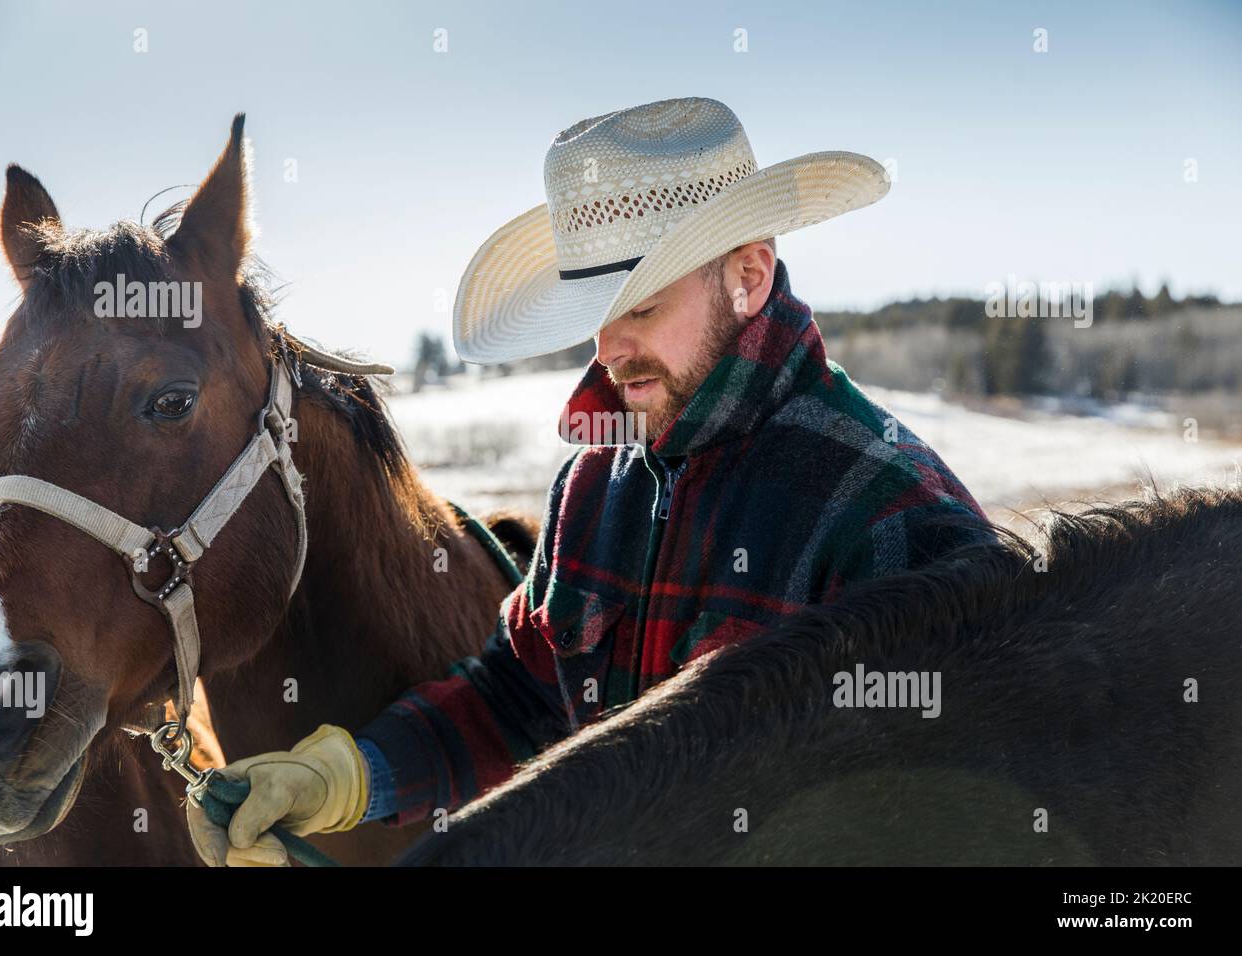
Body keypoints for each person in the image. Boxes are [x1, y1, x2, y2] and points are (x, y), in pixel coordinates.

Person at [186, 96, 993, 866]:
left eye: (639, 302)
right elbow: (518, 700)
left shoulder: (893, 513)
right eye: (592, 313)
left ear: (748, 276)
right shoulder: (598, 484)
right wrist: (346, 780)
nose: (607, 346)